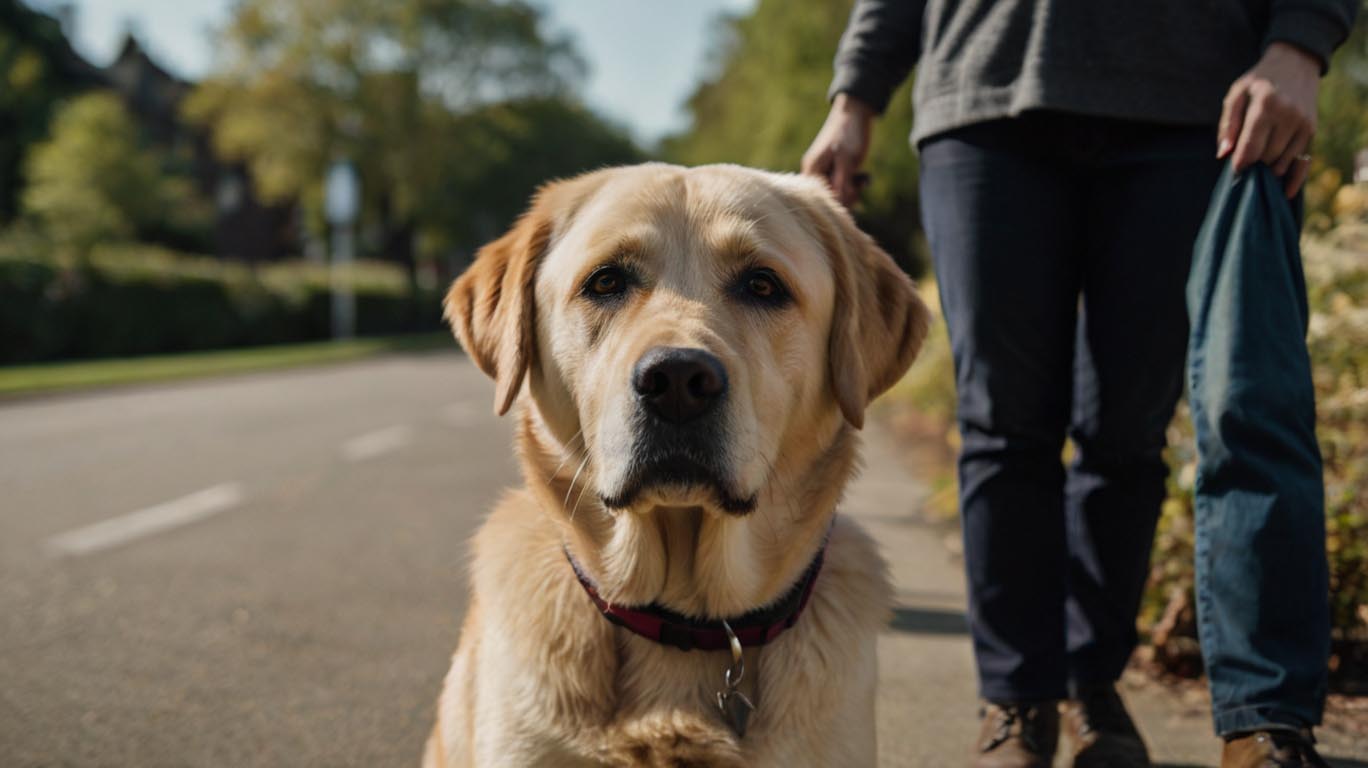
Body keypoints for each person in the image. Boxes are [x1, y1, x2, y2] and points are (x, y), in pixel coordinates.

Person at [801, 2, 1358, 767]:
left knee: (1127, 431)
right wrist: (853, 98)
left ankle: (1091, 681)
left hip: (1194, 103)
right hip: (983, 101)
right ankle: (1018, 699)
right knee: (1002, 425)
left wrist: (1300, 42)